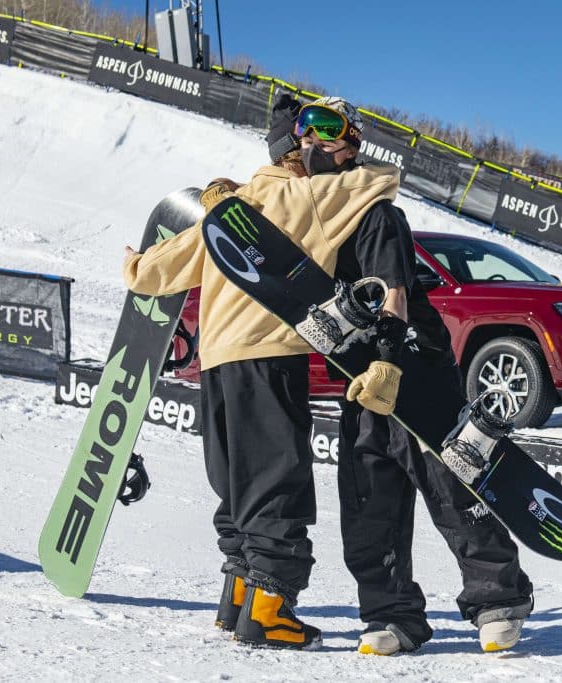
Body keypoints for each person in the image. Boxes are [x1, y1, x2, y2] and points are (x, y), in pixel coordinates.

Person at [121, 93, 399, 650]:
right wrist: (358, 156)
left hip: (216, 364)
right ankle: (270, 612)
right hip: (269, 354)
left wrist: (137, 266)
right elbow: (379, 185)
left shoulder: (239, 205)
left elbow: (163, 265)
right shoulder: (312, 197)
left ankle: (239, 600)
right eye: (313, 133)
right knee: (276, 481)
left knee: (237, 485)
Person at [295, 96, 535, 654]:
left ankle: (497, 599)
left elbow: (392, 293)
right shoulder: (311, 217)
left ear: (352, 142)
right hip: (362, 381)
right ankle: (391, 613)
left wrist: (389, 354)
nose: (313, 142)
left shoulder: (376, 213)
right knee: (367, 501)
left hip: (410, 370)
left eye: (327, 130)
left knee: (449, 488)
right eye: (305, 133)